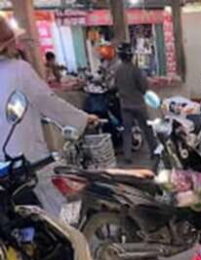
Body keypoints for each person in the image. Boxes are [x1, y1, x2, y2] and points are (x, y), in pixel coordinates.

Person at [0, 15, 94, 215]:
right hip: (27, 162)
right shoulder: (19, 69)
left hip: (4, 170)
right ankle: (74, 245)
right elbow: (47, 101)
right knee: (63, 215)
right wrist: (83, 119)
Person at [113, 41, 155, 163]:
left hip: (125, 104)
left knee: (127, 131)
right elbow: (144, 87)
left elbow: (115, 86)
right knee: (147, 129)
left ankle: (127, 156)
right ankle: (154, 151)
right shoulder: (136, 70)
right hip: (138, 104)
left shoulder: (118, 70)